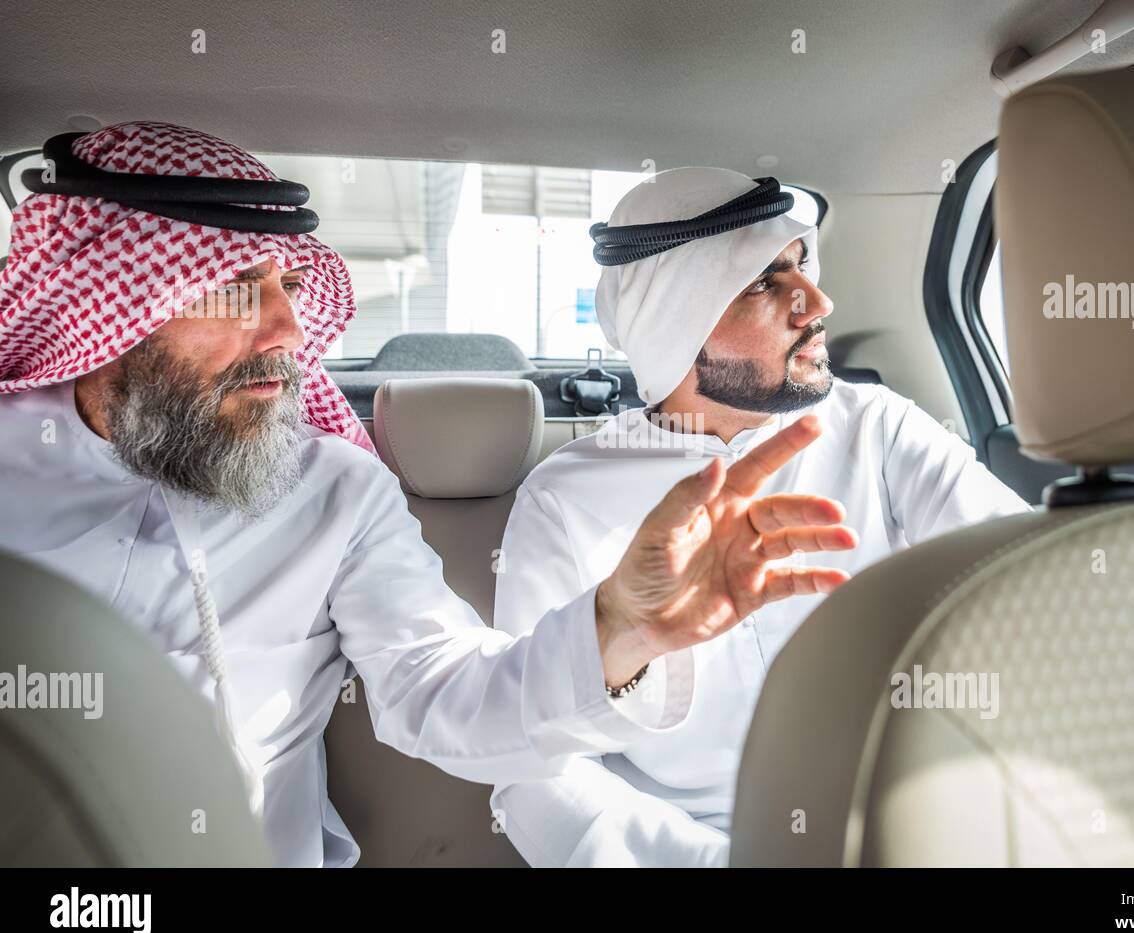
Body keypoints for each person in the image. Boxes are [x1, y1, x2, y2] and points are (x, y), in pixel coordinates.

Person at [0, 127, 859, 866]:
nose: (290, 334)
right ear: (108, 309)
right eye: (234, 293)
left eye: (290, 289)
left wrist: (619, 629)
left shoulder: (331, 489)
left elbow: (442, 688)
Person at [490, 167, 1032, 866]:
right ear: (674, 327)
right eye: (763, 283)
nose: (818, 300)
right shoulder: (563, 500)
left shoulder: (877, 426)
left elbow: (1026, 584)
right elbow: (535, 764)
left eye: (802, 265)